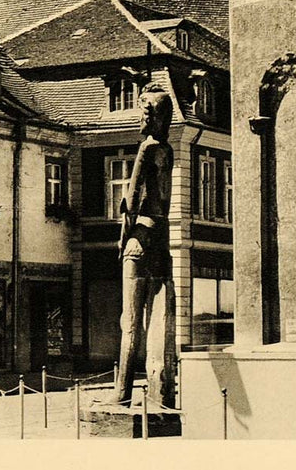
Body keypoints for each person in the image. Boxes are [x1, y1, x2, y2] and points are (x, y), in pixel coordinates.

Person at [111, 85, 177, 409]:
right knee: (160, 320)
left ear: (151, 117)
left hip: (140, 239)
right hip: (162, 238)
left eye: (143, 112)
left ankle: (121, 392)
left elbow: (132, 199)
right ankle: (161, 392)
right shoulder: (170, 150)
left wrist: (123, 239)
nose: (140, 117)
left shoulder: (147, 149)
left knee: (131, 321)